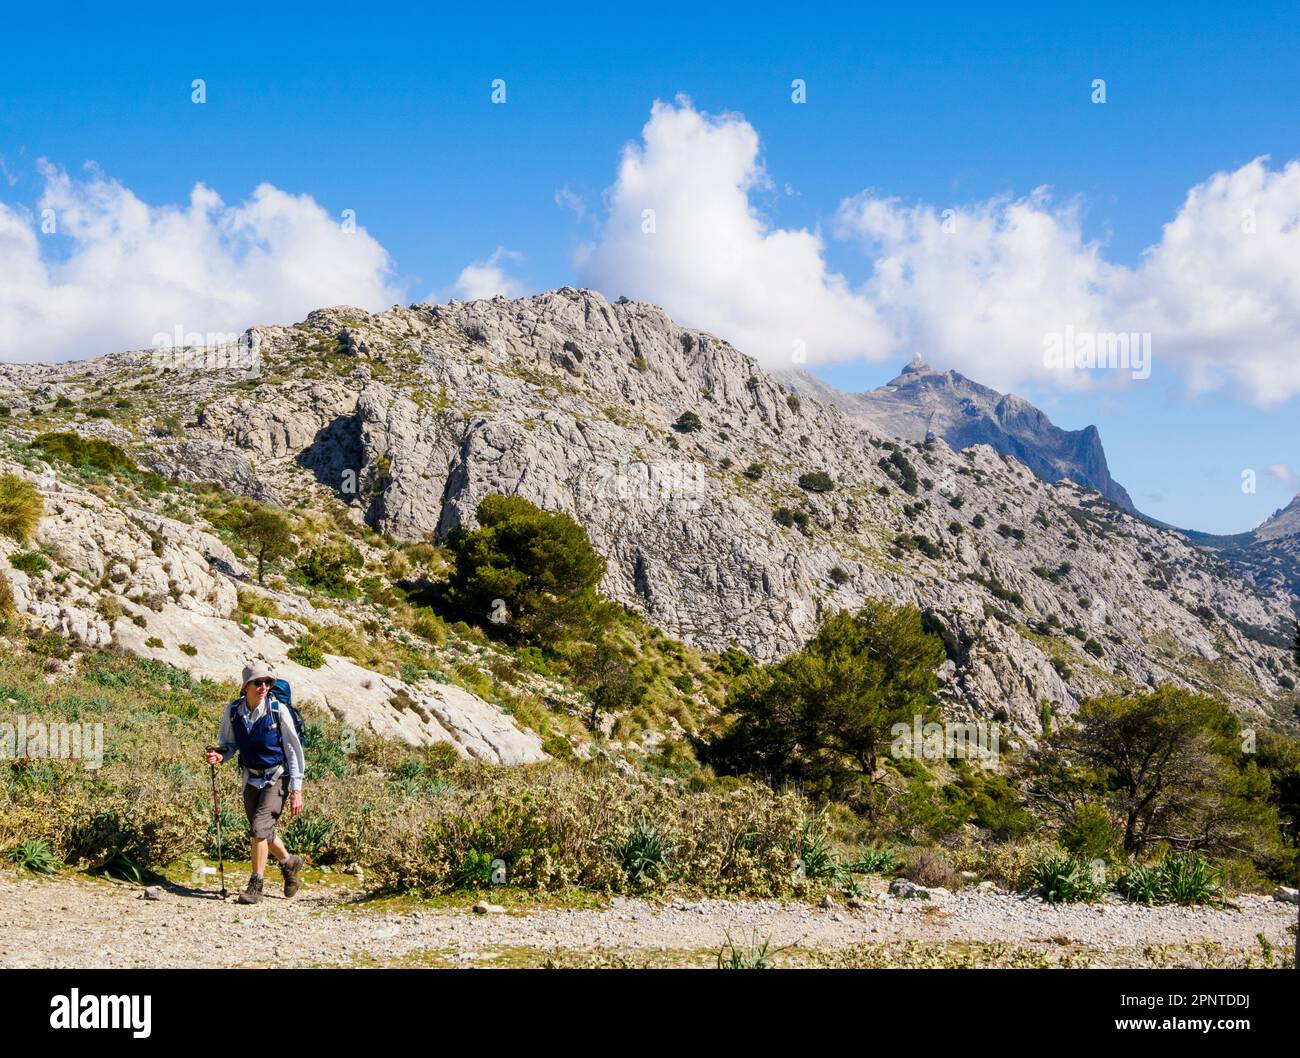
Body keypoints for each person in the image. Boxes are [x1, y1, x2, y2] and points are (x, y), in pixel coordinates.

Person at [205, 665, 306, 904]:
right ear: (245, 686)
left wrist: (296, 789)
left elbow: (293, 749)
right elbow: (228, 744)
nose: (263, 688)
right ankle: (289, 863)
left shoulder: (277, 710)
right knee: (263, 832)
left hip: (276, 777)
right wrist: (220, 755)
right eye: (257, 683)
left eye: (267, 683)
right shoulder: (233, 711)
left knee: (258, 830)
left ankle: (255, 886)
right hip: (250, 778)